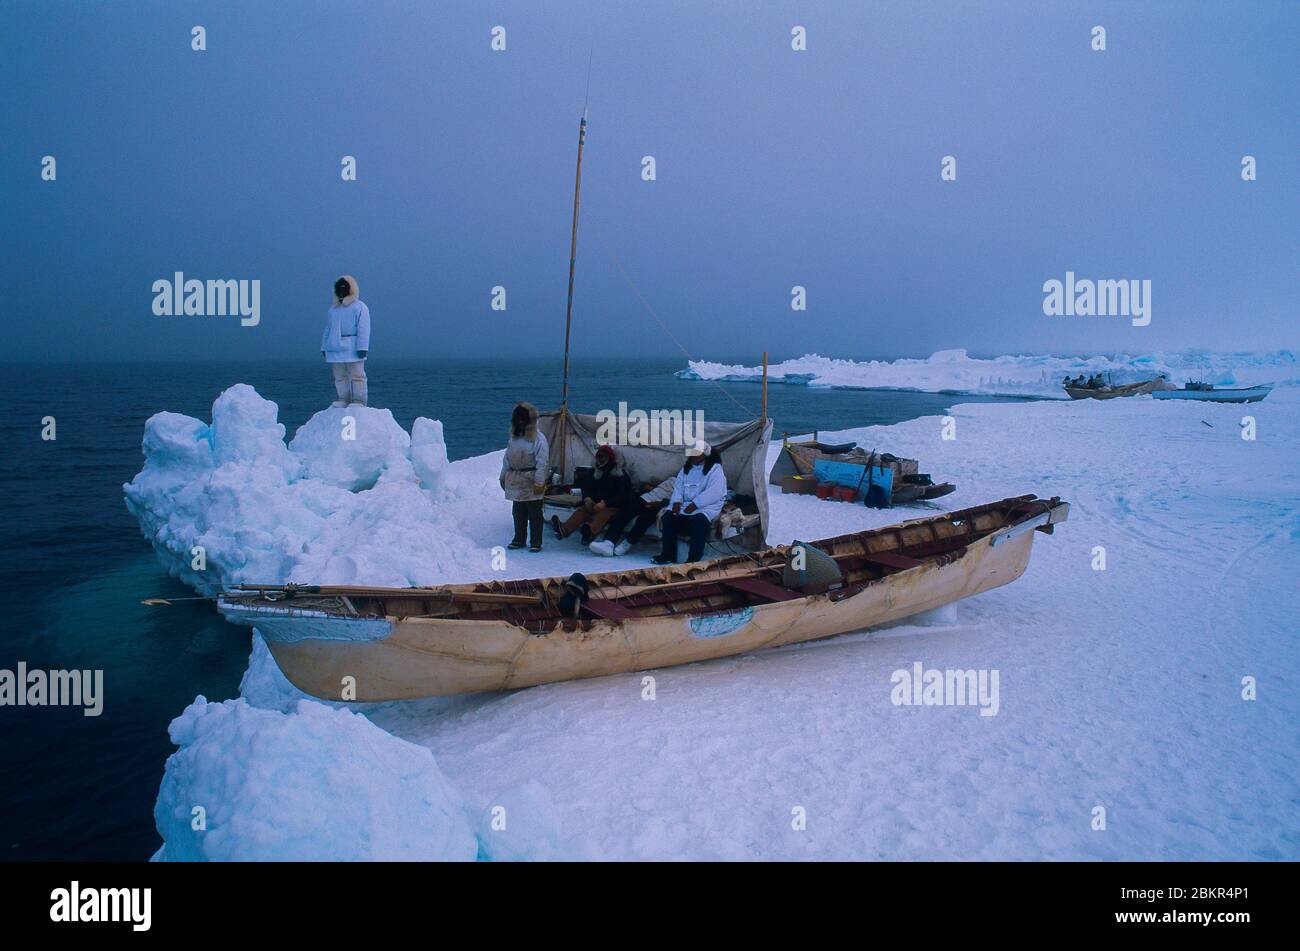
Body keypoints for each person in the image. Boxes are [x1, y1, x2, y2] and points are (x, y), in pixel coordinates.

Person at [652, 441, 727, 565]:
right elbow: (678, 487)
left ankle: (693, 560)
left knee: (700, 521)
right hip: (685, 504)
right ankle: (667, 555)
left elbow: (715, 491)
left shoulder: (715, 469)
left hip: (707, 506)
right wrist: (676, 502)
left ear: (705, 454)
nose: (693, 456)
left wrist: (696, 504)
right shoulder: (686, 469)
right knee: (668, 517)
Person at [552, 444, 631, 545]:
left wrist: (605, 503)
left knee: (604, 513)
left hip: (612, 505)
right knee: (583, 510)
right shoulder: (594, 471)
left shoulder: (619, 474)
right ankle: (564, 529)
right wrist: (587, 498)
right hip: (596, 503)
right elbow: (586, 487)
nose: (600, 459)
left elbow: (622, 494)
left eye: (603, 457)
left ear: (609, 458)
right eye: (598, 456)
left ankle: (589, 532)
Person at [499, 402, 551, 552]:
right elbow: (507, 459)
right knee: (518, 512)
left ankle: (536, 541)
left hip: (531, 478)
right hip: (516, 478)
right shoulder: (514, 439)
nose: (521, 422)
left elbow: (543, 463)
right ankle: (519, 539)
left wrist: (539, 482)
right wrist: (503, 477)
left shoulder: (539, 440)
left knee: (534, 513)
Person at [589, 475, 675, 556]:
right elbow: (658, 488)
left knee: (645, 518)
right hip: (646, 497)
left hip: (659, 504)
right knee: (625, 511)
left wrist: (664, 502)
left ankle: (627, 543)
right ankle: (608, 542)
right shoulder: (672, 479)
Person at [321, 275, 371, 407]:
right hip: (334, 347)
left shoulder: (359, 307)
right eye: (339, 288)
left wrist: (362, 348)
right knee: (340, 377)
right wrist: (324, 347)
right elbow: (328, 329)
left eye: (344, 287)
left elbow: (364, 328)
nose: (342, 290)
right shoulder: (333, 309)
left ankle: (359, 401)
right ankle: (343, 399)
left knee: (357, 376)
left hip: (352, 347)